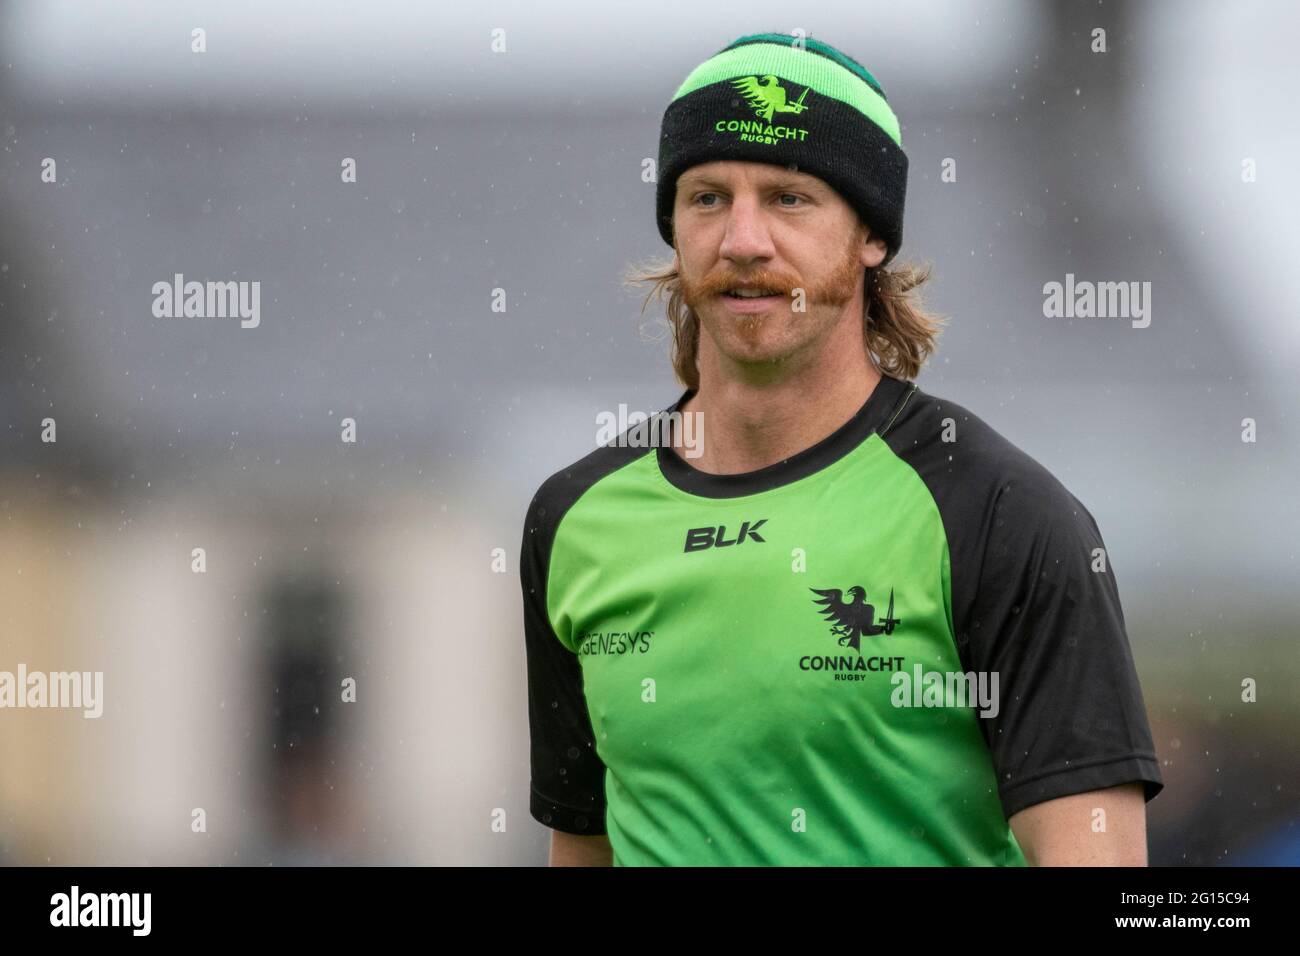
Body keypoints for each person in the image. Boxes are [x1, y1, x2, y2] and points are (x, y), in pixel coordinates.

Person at [520, 31, 1163, 866]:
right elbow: (583, 847)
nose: (742, 240)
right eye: (707, 197)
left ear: (872, 236)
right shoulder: (574, 519)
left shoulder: (1000, 513)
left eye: (789, 198)